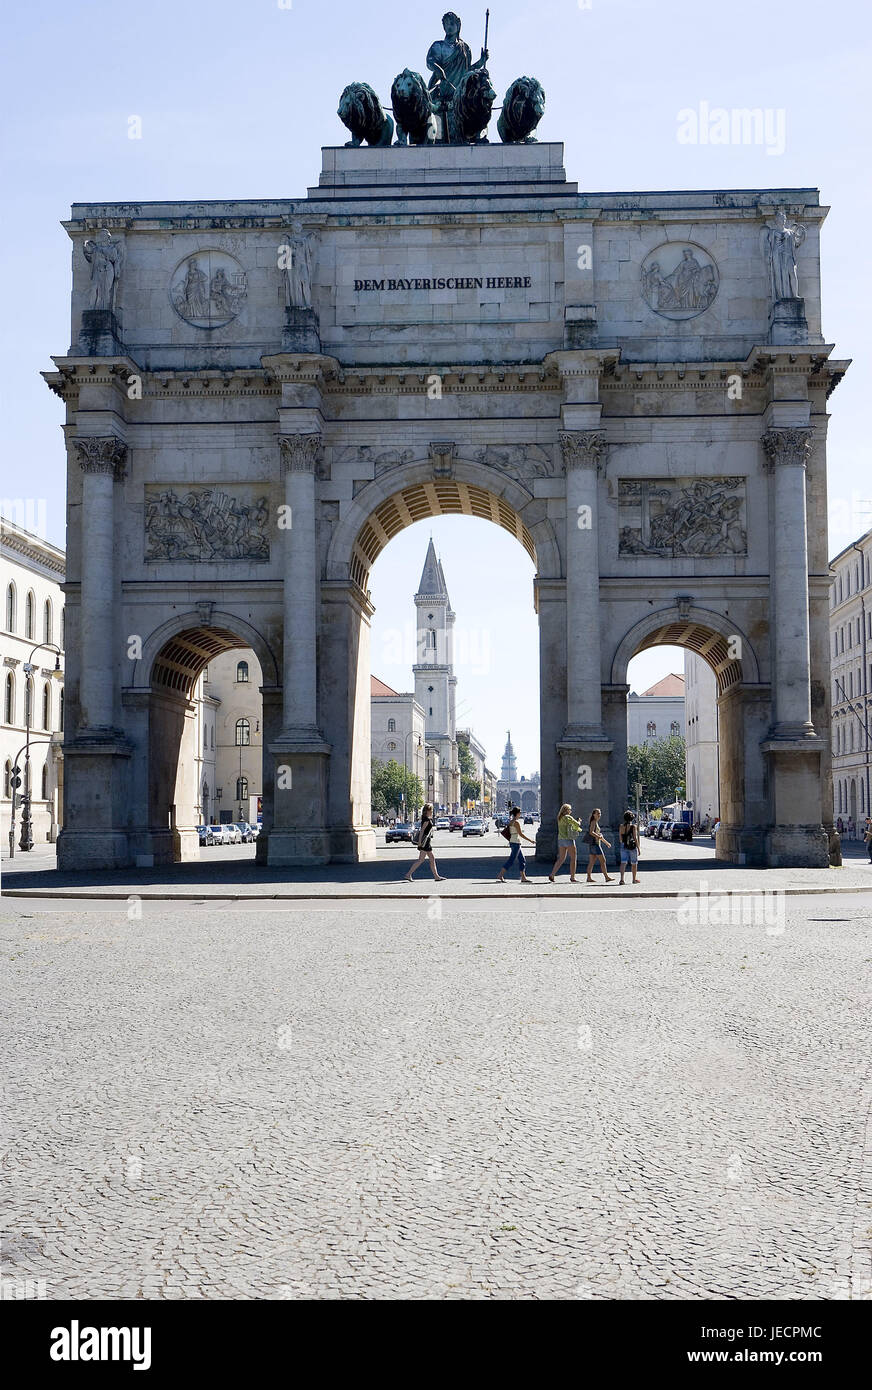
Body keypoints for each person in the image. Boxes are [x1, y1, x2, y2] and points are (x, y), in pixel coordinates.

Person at [404, 803, 444, 881]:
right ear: (428, 811)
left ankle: (436, 876)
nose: (432, 812)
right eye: (431, 810)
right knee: (422, 860)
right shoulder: (426, 820)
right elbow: (422, 831)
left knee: (430, 859)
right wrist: (419, 842)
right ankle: (408, 874)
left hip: (426, 842)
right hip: (425, 842)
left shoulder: (426, 818)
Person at [497, 805, 535, 884]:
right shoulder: (516, 823)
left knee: (522, 860)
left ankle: (523, 878)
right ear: (517, 813)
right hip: (516, 842)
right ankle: (500, 875)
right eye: (520, 813)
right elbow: (520, 834)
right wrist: (530, 840)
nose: (520, 814)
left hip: (513, 842)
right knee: (511, 860)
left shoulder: (511, 821)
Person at [549, 803, 582, 882]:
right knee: (573, 858)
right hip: (568, 839)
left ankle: (552, 874)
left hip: (560, 840)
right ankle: (572, 877)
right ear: (566, 810)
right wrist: (579, 821)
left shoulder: (559, 818)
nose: (570, 811)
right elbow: (577, 824)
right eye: (570, 809)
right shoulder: (568, 817)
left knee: (561, 858)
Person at [583, 808, 613, 883]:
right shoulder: (593, 822)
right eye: (598, 813)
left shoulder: (595, 822)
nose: (599, 815)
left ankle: (589, 878)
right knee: (603, 860)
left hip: (594, 844)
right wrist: (598, 836)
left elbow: (598, 836)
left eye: (600, 813)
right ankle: (606, 877)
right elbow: (591, 832)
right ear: (594, 814)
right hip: (595, 844)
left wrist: (607, 843)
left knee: (592, 862)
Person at [618, 811, 641, 886]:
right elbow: (635, 838)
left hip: (623, 845)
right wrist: (638, 848)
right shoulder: (633, 826)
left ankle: (622, 879)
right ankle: (634, 879)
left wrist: (623, 843)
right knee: (634, 863)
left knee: (623, 862)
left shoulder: (621, 826)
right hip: (632, 846)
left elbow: (620, 839)